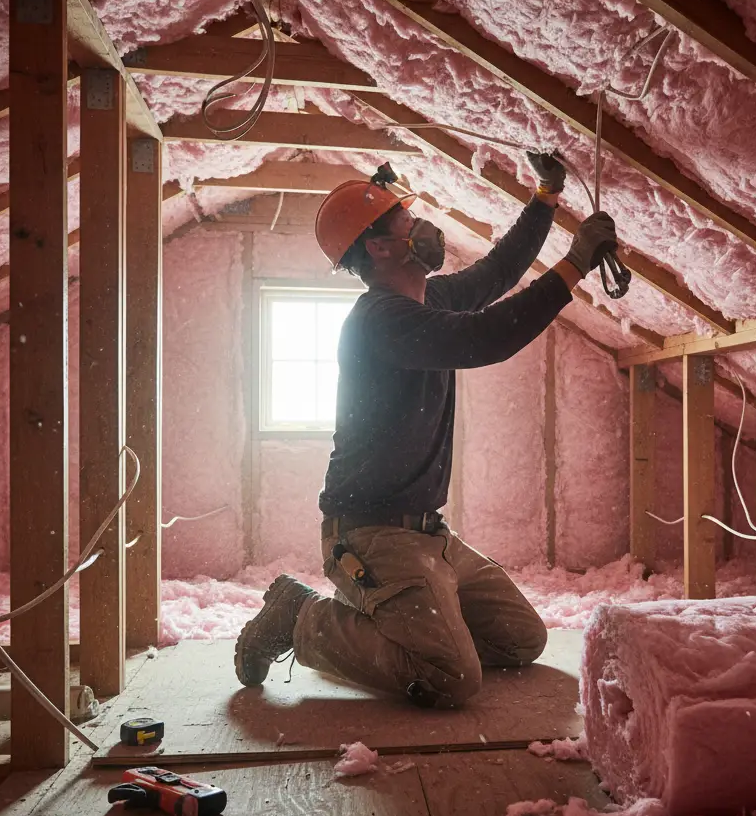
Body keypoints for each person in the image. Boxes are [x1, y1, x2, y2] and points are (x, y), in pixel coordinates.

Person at [234, 154, 618, 707]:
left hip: (426, 534)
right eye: (406, 222)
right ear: (380, 247)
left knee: (520, 639)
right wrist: (575, 265)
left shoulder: (425, 301)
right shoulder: (380, 322)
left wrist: (545, 197)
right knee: (451, 679)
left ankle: (419, 620)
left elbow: (497, 274)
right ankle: (299, 617)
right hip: (370, 536)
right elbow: (487, 338)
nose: (421, 228)